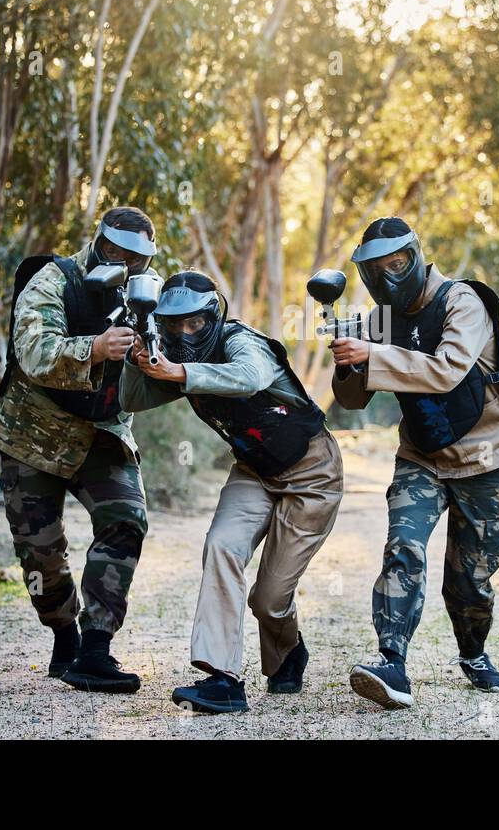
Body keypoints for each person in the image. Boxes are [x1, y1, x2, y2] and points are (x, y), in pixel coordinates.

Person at [121, 271, 343, 713]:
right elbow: (132, 399)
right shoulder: (170, 355)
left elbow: (249, 378)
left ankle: (288, 650)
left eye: (195, 323)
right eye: (172, 324)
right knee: (221, 545)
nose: (184, 333)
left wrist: (178, 370)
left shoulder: (244, 342)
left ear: (214, 316)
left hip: (312, 472)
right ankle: (222, 679)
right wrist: (136, 358)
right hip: (253, 472)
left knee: (269, 599)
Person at [329, 217, 499, 709]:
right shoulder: (379, 320)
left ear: (416, 255)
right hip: (421, 455)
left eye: (397, 264)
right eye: (376, 269)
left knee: (469, 581)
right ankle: (391, 661)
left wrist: (372, 354)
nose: (389, 276)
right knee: (404, 547)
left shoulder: (463, 302)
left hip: (485, 458)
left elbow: (445, 371)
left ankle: (473, 650)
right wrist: (349, 364)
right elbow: (351, 401)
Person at [0, 206, 158, 693]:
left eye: (135, 258)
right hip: (32, 434)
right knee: (40, 552)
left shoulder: (148, 292)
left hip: (102, 433)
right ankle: (64, 635)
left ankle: (96, 648)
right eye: (113, 251)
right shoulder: (53, 280)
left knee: (126, 520)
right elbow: (35, 353)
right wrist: (96, 348)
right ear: (97, 241)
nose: (122, 263)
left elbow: (184, 345)